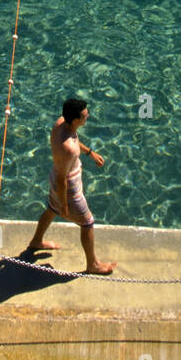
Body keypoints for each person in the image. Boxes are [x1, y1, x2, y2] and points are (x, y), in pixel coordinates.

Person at [27, 98, 116, 275]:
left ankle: (36, 241)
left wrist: (90, 153)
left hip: (56, 177)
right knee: (87, 223)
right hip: (68, 189)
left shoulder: (62, 122)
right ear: (75, 120)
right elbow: (62, 179)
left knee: (52, 209)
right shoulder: (68, 149)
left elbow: (74, 141)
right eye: (84, 115)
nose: (88, 116)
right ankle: (93, 264)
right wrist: (65, 205)